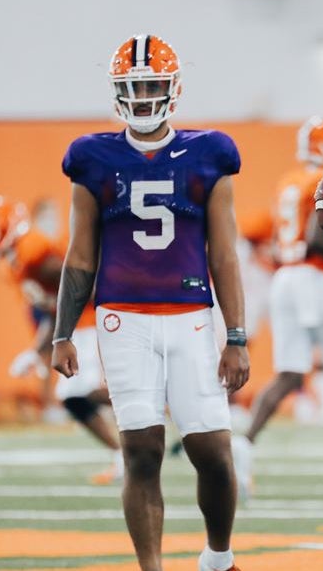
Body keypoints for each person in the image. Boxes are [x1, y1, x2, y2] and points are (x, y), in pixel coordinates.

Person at [51, 34, 247, 571]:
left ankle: (218, 555)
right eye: (133, 87)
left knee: (213, 453)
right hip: (123, 319)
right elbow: (81, 255)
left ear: (172, 88)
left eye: (152, 85)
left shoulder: (210, 153)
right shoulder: (92, 157)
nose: (142, 97)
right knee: (140, 453)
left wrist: (235, 336)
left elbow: (224, 256)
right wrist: (63, 331)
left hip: (191, 318)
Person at [236, 117, 323, 500]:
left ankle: (243, 445)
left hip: (286, 280)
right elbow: (318, 239)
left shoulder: (288, 182)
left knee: (289, 375)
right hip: (320, 280)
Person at [0, 195, 124, 484]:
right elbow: (54, 307)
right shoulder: (11, 265)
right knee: (73, 397)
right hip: (78, 323)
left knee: (79, 392)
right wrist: (35, 350)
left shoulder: (31, 249)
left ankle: (144, 404)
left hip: (92, 318)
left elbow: (79, 285)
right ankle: (124, 450)